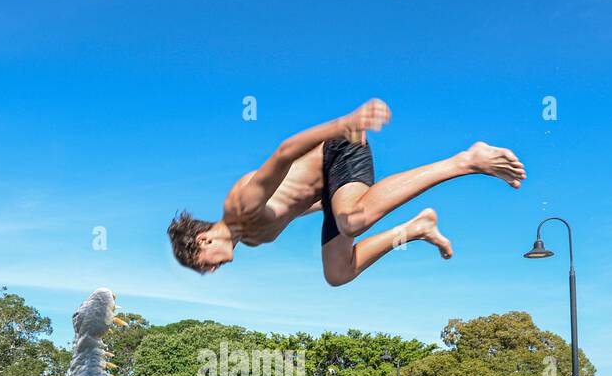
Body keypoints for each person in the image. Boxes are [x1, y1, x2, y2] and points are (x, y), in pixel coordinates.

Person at [167, 99, 526, 286]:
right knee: (338, 272)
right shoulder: (253, 238)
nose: (212, 272)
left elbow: (285, 151)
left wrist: (343, 124)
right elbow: (299, 203)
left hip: (336, 147)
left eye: (204, 267)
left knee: (352, 218)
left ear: (202, 241)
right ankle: (416, 229)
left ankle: (467, 160)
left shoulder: (242, 206)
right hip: (330, 193)